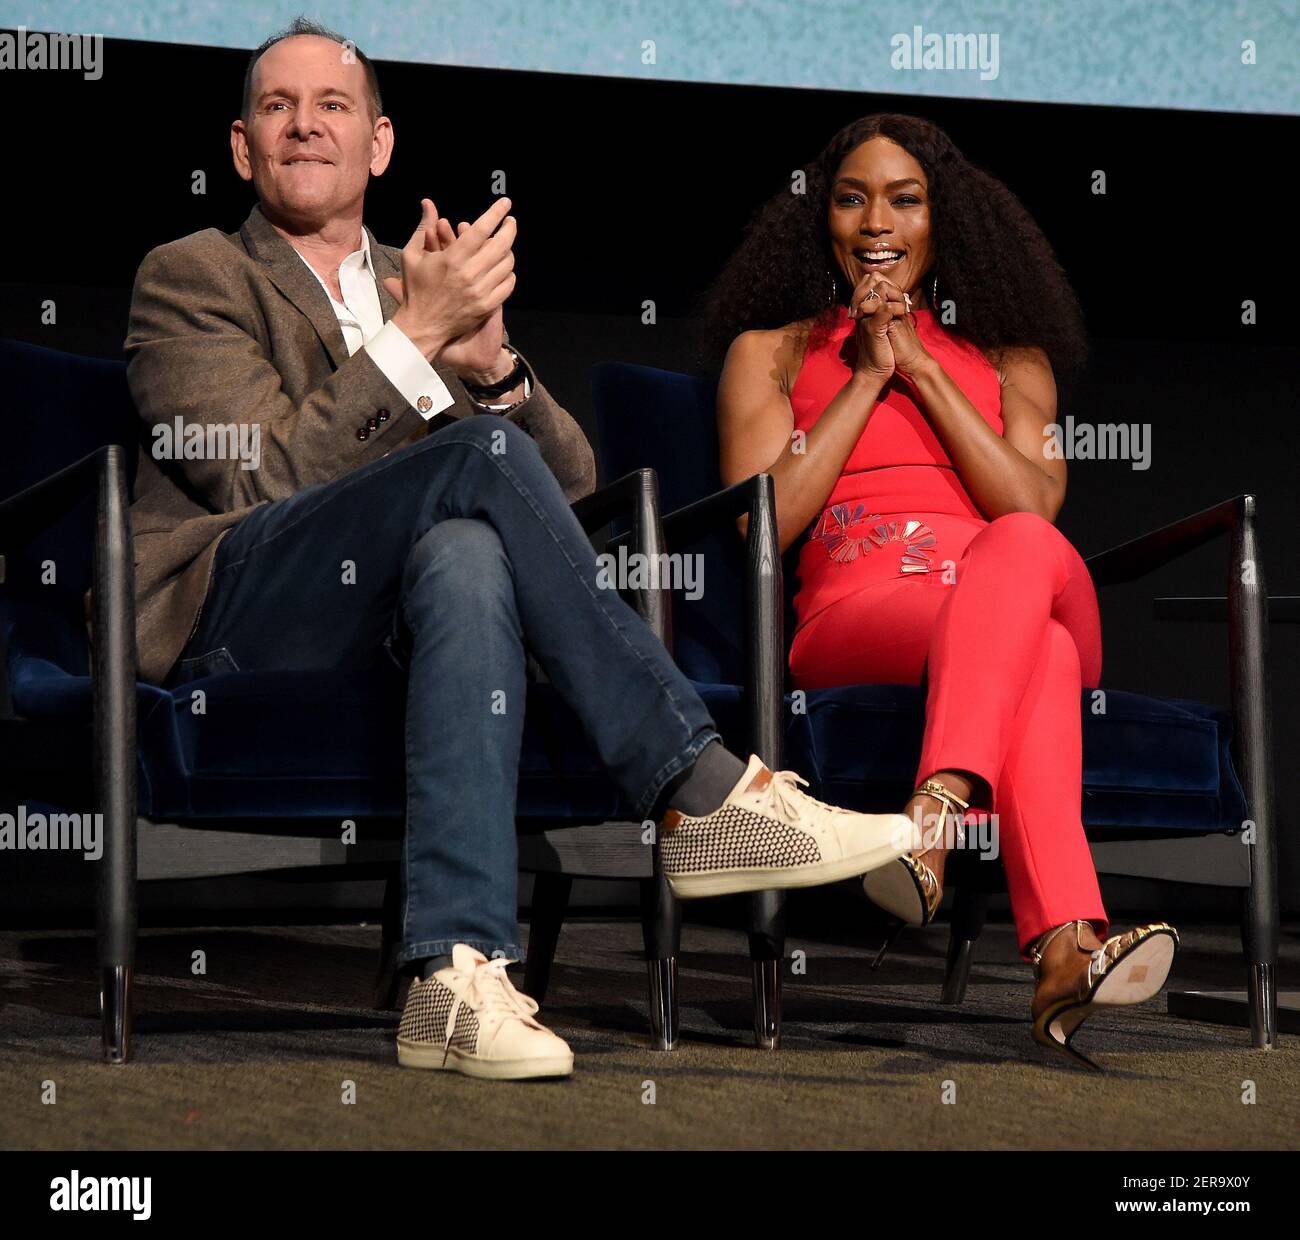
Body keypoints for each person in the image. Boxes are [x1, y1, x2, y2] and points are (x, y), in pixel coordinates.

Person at [123, 22, 919, 1081]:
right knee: (473, 474)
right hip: (246, 614)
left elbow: (568, 501)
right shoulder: (192, 275)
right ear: (239, 146)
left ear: (379, 144)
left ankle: (453, 974)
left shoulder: (427, 279)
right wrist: (416, 344)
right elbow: (264, 480)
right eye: (278, 106)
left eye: (333, 106)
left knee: (466, 550)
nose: (305, 123)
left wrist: (493, 364)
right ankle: (700, 786)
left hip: (413, 630)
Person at [709, 113, 1177, 1069]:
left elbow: (1032, 502)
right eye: (851, 199)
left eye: (904, 199)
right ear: (822, 221)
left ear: (941, 221)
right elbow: (767, 523)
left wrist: (922, 366)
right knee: (1036, 652)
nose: (876, 221)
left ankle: (929, 825)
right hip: (858, 613)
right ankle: (1063, 948)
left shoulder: (1013, 362)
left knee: (1016, 547)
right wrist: (864, 381)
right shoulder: (773, 351)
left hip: (1011, 576)